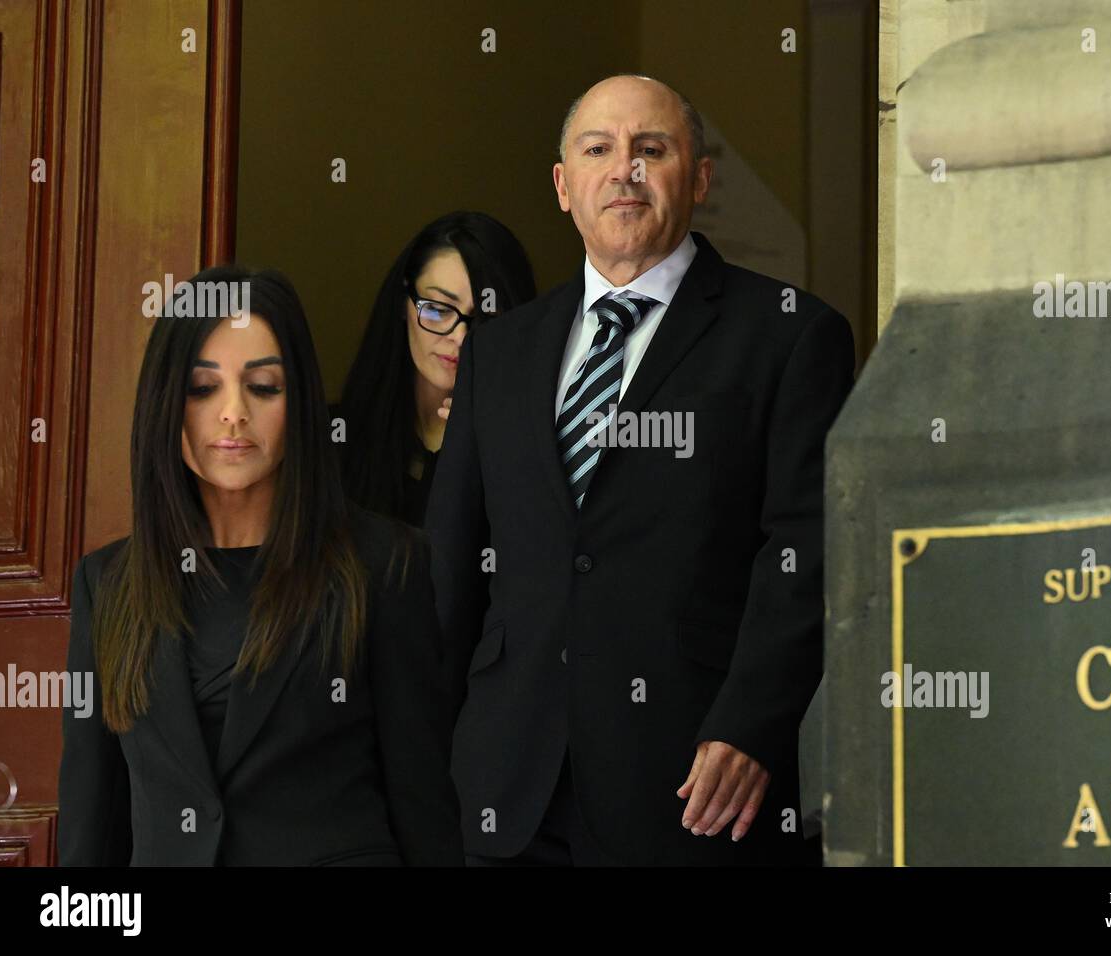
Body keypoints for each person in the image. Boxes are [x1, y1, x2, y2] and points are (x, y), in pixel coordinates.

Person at [426, 75, 856, 865]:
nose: (623, 170)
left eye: (650, 149)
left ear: (697, 177)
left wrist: (749, 724)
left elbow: (812, 552)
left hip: (697, 791)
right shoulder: (501, 350)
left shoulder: (790, 337)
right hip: (509, 791)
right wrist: (439, 764)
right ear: (564, 186)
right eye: (598, 150)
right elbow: (452, 565)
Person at [58, 266, 463, 866]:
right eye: (202, 388)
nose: (233, 414)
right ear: (167, 402)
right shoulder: (107, 586)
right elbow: (91, 827)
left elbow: (424, 807)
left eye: (263, 387)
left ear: (297, 400)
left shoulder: (384, 566)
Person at [337, 212, 535, 526]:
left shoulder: (530, 447)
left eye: (487, 317)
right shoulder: (336, 440)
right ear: (404, 303)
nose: (459, 336)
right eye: (438, 310)